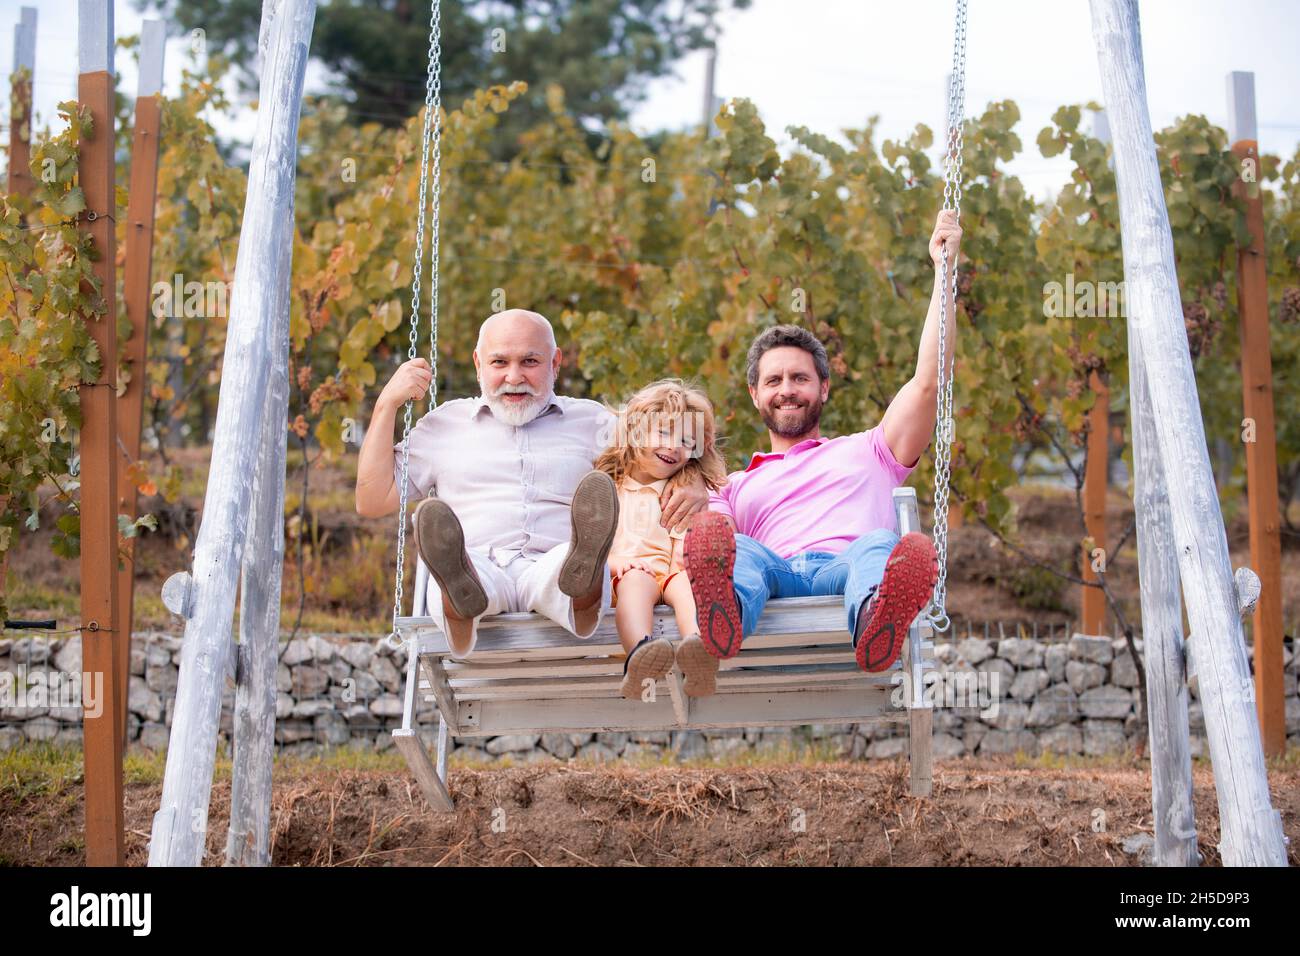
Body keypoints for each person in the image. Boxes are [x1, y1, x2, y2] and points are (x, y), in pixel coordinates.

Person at [684, 209, 962, 674]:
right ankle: (725, 616)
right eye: (774, 380)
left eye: (800, 377)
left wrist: (944, 270)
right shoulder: (730, 484)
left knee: (879, 544)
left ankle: (878, 619)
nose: (787, 389)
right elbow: (716, 542)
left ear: (824, 388)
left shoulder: (872, 449)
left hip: (847, 566)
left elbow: (928, 382)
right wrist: (694, 497)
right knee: (741, 551)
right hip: (775, 573)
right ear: (755, 395)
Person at [354, 309, 711, 658]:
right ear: (478, 364)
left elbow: (661, 455)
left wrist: (693, 479)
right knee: (468, 570)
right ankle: (458, 591)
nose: (514, 376)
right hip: (477, 559)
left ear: (555, 363)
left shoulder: (593, 422)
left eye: (529, 362)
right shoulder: (444, 425)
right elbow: (373, 499)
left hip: (556, 562)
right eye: (499, 363)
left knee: (570, 565)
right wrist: (387, 404)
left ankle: (583, 579)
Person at [593, 379, 728, 699]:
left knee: (689, 583)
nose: (674, 447)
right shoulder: (609, 486)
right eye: (664, 433)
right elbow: (591, 548)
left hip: (670, 572)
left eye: (686, 440)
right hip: (628, 571)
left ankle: (699, 650)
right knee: (635, 582)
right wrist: (616, 564)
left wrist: (685, 562)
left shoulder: (684, 489)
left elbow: (688, 539)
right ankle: (641, 654)